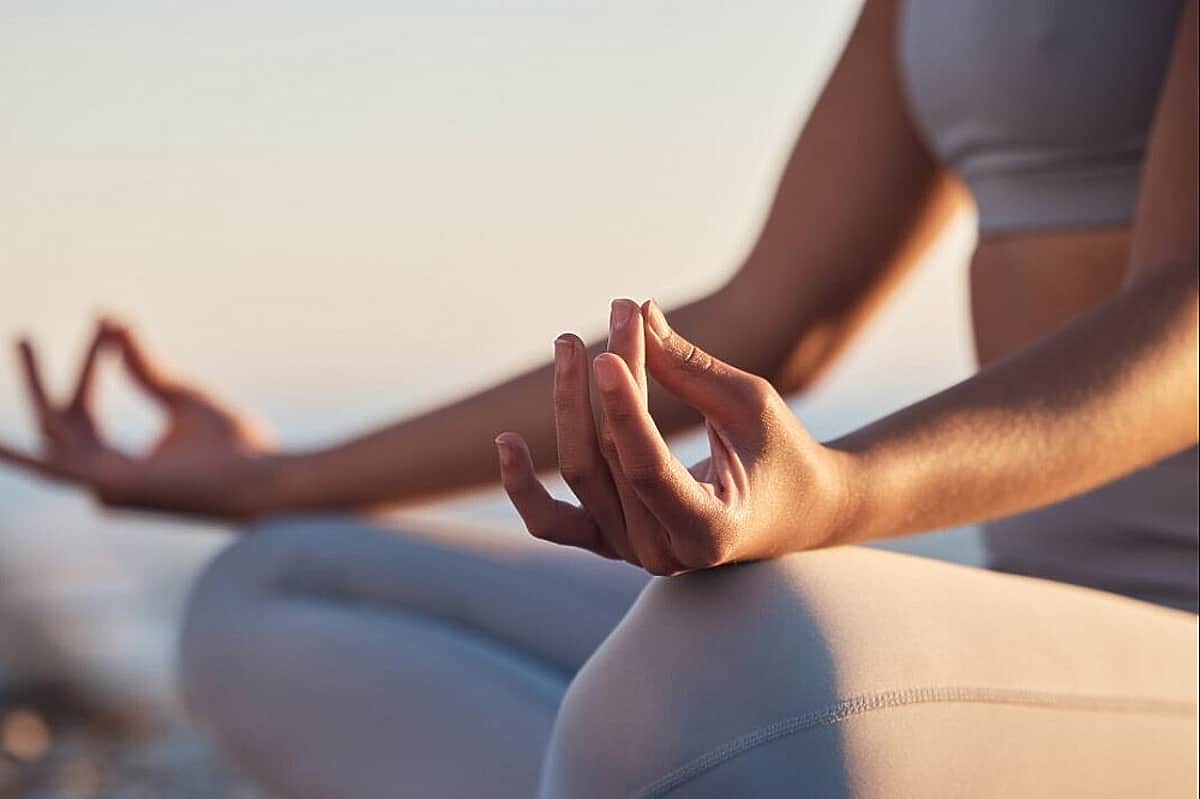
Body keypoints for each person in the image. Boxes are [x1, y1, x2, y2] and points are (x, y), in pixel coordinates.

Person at [3, 0, 1197, 795]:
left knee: (730, 663)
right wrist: (268, 482)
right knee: (275, 585)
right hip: (1053, 640)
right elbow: (767, 316)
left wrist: (835, 490)